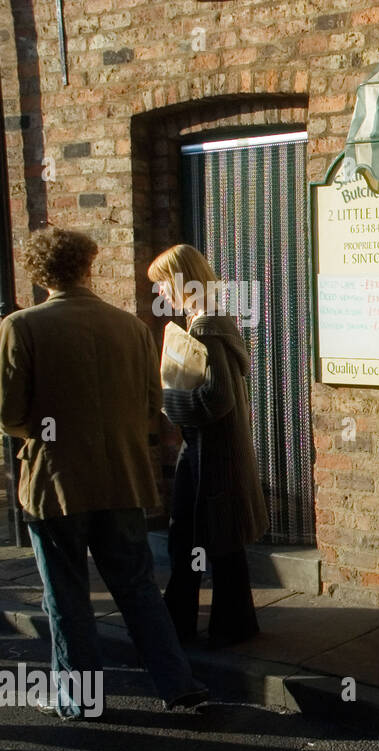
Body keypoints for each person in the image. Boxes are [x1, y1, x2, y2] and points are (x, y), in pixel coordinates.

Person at [0, 227, 208, 718]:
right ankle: (177, 683)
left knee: (67, 595)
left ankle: (81, 699)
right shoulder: (131, 327)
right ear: (88, 265)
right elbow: (151, 403)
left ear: (38, 273)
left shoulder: (21, 327)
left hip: (55, 486)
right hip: (121, 478)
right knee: (138, 589)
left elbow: (9, 413)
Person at [148, 245, 268, 647]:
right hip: (213, 448)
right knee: (215, 540)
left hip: (210, 450)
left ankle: (181, 625)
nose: (161, 293)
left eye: (164, 283)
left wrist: (165, 400)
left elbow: (217, 398)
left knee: (191, 537)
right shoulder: (213, 321)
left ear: (183, 280)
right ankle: (230, 624)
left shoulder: (205, 328)